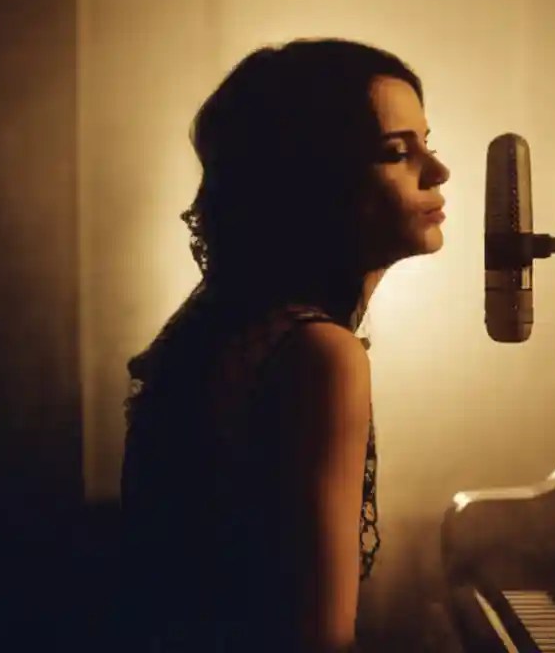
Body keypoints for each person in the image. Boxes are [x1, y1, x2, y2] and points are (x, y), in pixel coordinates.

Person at [119, 39, 449, 652]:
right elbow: (315, 640)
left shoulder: (232, 317)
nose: (437, 171)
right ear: (315, 182)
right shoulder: (318, 355)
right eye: (397, 153)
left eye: (430, 143)